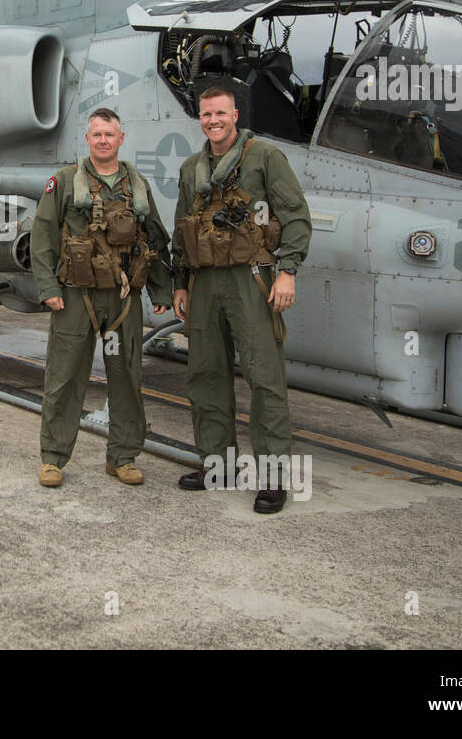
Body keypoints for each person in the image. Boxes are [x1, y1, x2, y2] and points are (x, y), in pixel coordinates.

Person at [171, 87, 311, 514]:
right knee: (206, 374)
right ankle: (219, 465)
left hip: (252, 278)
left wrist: (287, 271)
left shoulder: (264, 157)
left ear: (235, 115)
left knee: (264, 379)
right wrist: (179, 282)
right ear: (200, 118)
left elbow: (295, 215)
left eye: (220, 113)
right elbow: (182, 228)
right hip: (205, 282)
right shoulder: (192, 167)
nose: (213, 120)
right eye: (206, 113)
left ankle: (273, 478)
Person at [30, 108, 173, 487]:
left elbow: (155, 238)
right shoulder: (64, 182)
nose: (103, 140)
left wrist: (161, 288)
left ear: (121, 139)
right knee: (65, 376)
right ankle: (53, 459)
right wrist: (48, 289)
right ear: (88, 139)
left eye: (110, 134)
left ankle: (122, 457)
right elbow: (42, 237)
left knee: (126, 374)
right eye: (96, 135)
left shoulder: (136, 185)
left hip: (123, 298)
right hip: (75, 298)